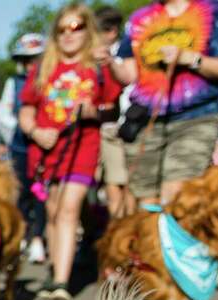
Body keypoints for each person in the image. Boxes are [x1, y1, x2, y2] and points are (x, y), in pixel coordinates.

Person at [19, 3, 120, 300]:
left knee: (68, 208)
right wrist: (36, 131)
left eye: (75, 27)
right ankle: (53, 273)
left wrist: (95, 111)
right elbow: (25, 112)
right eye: (62, 29)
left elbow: (113, 108)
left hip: (83, 147)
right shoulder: (42, 68)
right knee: (51, 212)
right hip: (47, 151)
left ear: (87, 30)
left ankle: (62, 281)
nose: (68, 34)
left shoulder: (98, 66)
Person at [108, 0, 218, 207]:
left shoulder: (210, 9)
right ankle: (154, 239)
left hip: (195, 118)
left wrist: (190, 58)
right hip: (147, 120)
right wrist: (108, 61)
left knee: (176, 195)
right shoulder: (140, 17)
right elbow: (129, 75)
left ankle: (171, 238)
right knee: (145, 200)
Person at [0, 33, 47, 265]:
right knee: (21, 194)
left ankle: (38, 238)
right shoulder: (13, 82)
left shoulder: (50, 80)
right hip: (19, 147)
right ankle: (21, 236)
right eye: (27, 59)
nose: (31, 65)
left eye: (35, 59)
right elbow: (5, 114)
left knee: (41, 195)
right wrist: (23, 126)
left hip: (44, 148)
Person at [93, 5, 134, 219]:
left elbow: (124, 84)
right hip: (98, 127)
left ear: (111, 31)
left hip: (120, 125)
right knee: (104, 182)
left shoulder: (123, 54)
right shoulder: (92, 56)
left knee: (121, 183)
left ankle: (122, 229)